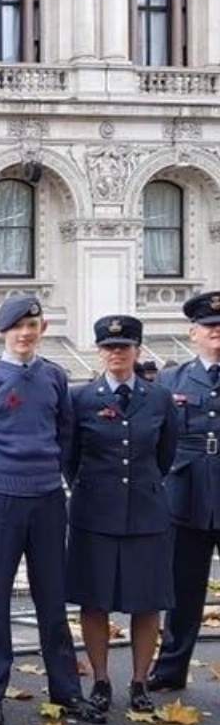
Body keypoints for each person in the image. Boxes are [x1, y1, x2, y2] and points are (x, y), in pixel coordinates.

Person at [0, 293, 104, 725]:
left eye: (32, 326)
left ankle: (66, 690)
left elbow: (65, 434)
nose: (24, 334)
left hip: (46, 499)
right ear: (3, 332)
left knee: (52, 598)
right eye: (17, 327)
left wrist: (50, 475)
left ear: (41, 330)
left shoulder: (55, 377)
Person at [67, 315, 177, 714]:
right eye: (110, 347)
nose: (117, 353)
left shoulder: (159, 397)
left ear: (137, 350)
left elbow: (165, 454)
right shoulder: (79, 398)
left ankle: (139, 682)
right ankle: (100, 680)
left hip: (146, 514)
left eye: (125, 347)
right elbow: (70, 457)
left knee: (147, 602)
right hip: (94, 513)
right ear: (99, 352)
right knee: (94, 600)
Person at [150, 291, 220, 691]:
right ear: (192, 332)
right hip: (186, 492)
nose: (216, 331)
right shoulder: (170, 380)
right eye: (209, 326)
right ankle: (171, 669)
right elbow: (155, 438)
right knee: (182, 589)